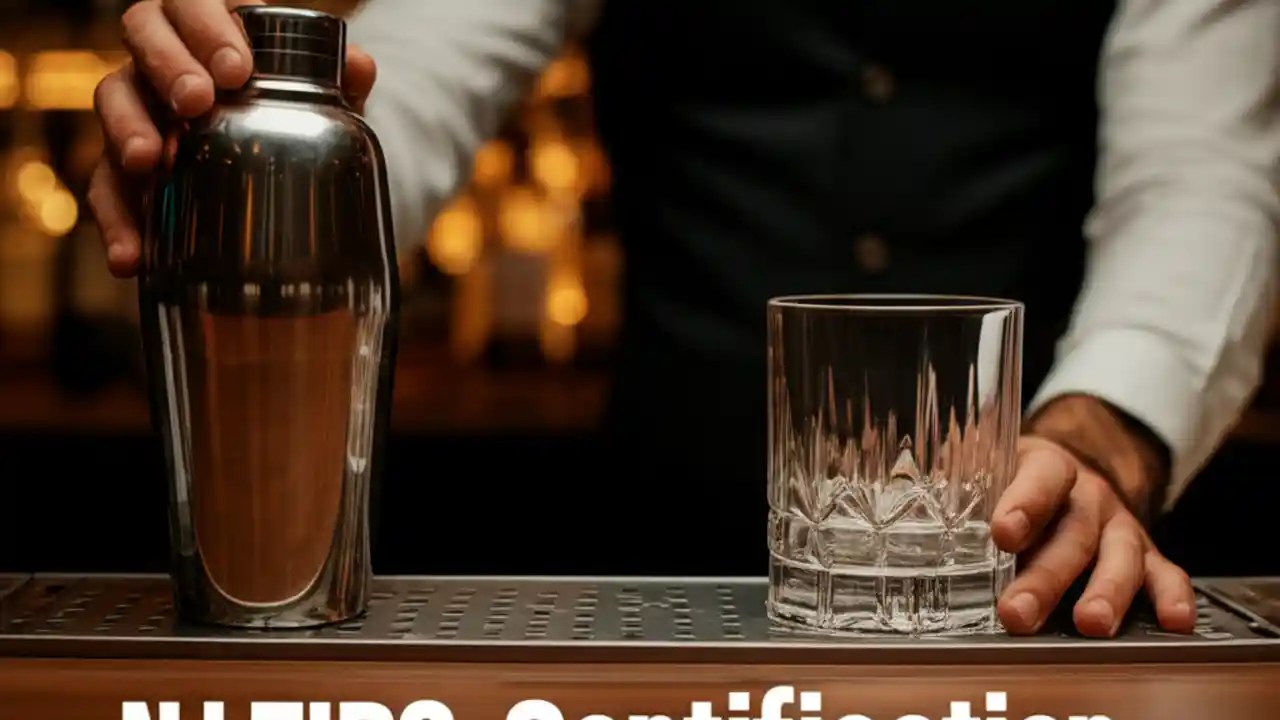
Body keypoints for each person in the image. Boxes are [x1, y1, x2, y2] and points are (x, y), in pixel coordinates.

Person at [87, 0, 1278, 638]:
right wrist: (254, 159)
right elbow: (424, 82)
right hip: (669, 567)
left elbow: (1202, 176)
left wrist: (1093, 438)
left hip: (1032, 591)